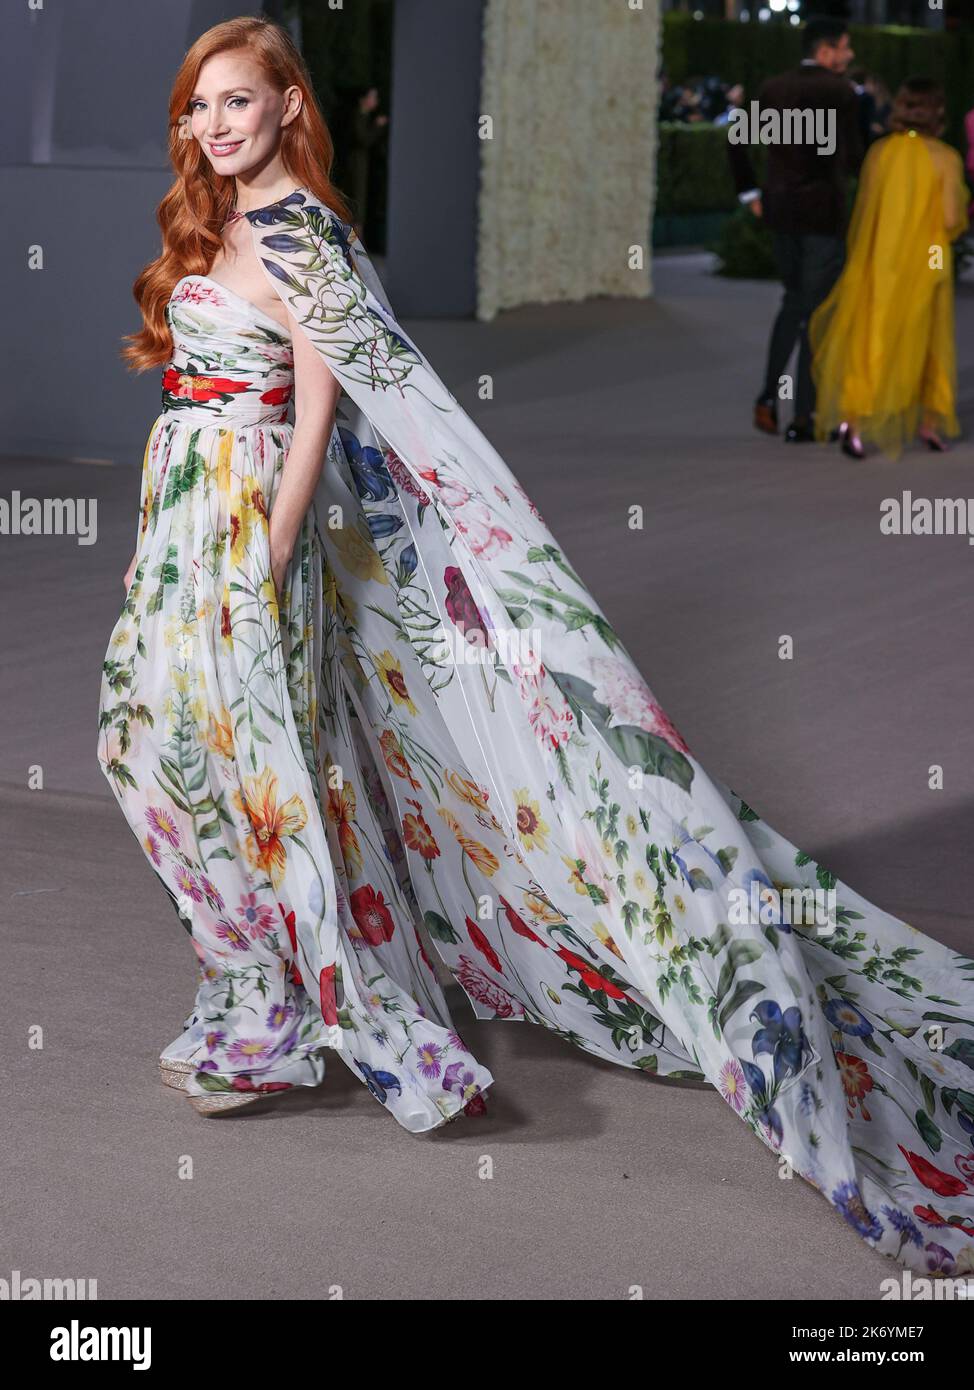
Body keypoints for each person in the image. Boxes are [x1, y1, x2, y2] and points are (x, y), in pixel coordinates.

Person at [97, 16, 974, 1277]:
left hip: (247, 534)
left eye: (238, 102)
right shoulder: (216, 219)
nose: (214, 126)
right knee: (141, 742)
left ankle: (275, 1014)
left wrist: (267, 560)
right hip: (184, 513)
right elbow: (188, 404)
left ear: (292, 106)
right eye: (199, 108)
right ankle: (261, 995)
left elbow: (317, 423)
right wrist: (153, 543)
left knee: (244, 770)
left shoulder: (309, 242)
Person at [809, 78, 969, 459]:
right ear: (937, 113)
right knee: (931, 336)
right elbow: (949, 218)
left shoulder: (880, 153)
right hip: (929, 257)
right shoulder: (945, 158)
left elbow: (866, 212)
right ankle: (930, 422)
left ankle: (855, 420)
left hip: (881, 259)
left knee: (873, 334)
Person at [728, 15, 863, 441]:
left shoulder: (774, 88)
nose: (850, 54)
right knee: (815, 312)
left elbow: (735, 139)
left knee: (796, 305)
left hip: (780, 213)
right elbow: (856, 158)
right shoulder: (841, 93)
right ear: (825, 52)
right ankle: (802, 415)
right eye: (845, 47)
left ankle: (775, 402)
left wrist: (750, 193)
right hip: (822, 216)